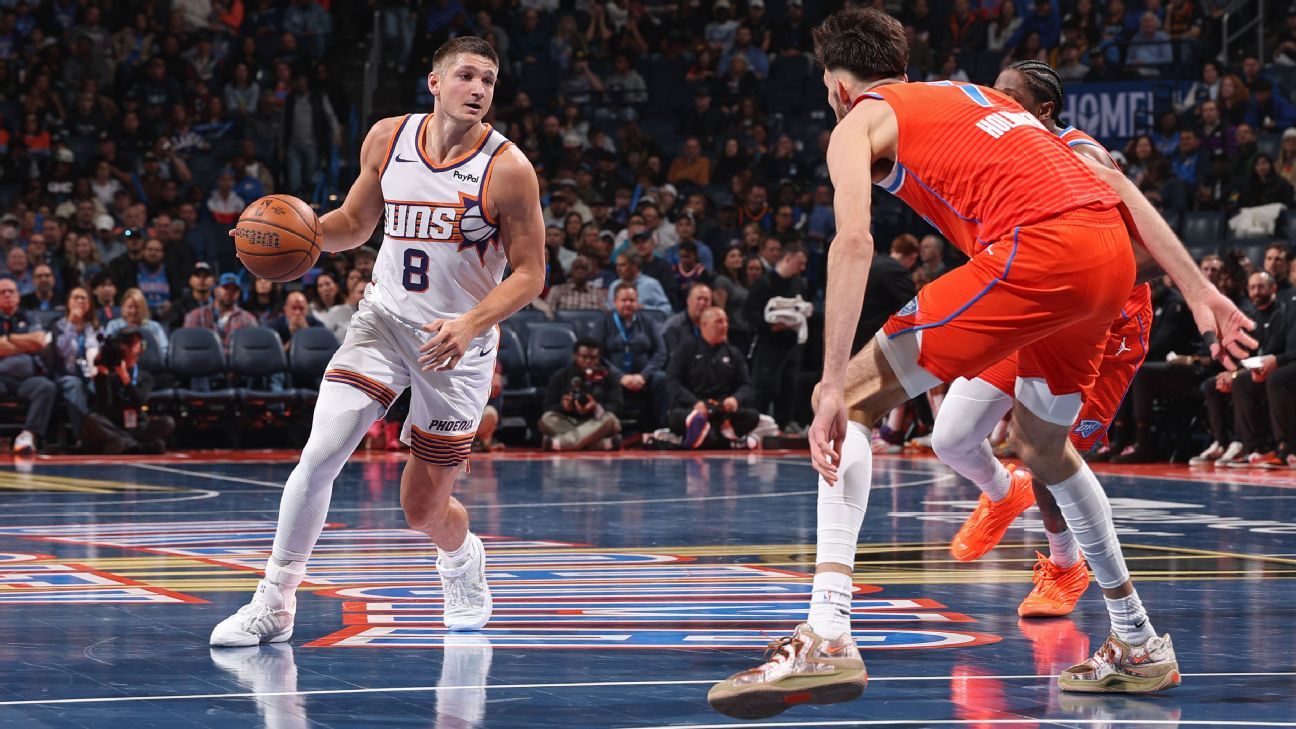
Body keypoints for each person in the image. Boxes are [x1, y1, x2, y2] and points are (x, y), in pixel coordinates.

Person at [709, 9, 1253, 718]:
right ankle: (1138, 639)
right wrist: (1199, 286)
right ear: (901, 66)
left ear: (838, 87)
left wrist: (833, 380)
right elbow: (1116, 191)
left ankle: (828, 631)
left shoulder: (855, 122)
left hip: (1040, 248)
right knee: (1042, 444)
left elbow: (852, 244)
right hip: (1110, 264)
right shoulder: (980, 96)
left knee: (861, 402)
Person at [211, 37, 544, 647]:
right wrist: (300, 232)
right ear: (434, 83)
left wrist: (469, 324)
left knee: (421, 510)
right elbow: (356, 224)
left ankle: (461, 556)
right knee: (322, 451)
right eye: (466, 76)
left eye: (489, 80)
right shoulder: (388, 139)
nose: (478, 89)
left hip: (457, 348)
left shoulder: (509, 169)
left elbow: (530, 273)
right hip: (383, 322)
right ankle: (275, 602)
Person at [926, 62, 1156, 622]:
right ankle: (1004, 494)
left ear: (1045, 111)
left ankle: (1065, 565)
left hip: (1105, 327)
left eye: (1009, 96)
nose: (994, 104)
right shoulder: (1008, 158)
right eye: (991, 93)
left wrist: (1078, 277)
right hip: (1039, 312)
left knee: (1049, 456)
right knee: (951, 437)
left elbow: (1148, 254)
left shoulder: (1084, 159)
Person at [665, 307, 759, 449]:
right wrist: (694, 403)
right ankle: (723, 440)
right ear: (704, 325)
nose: (725, 325)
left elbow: (745, 385)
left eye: (726, 321)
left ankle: (706, 437)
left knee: (752, 416)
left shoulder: (733, 353)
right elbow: (672, 381)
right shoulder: (686, 349)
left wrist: (735, 399)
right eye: (719, 322)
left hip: (723, 411)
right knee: (676, 417)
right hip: (696, 408)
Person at [745, 243, 810, 429]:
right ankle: (756, 425)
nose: (803, 268)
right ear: (788, 259)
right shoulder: (764, 283)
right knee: (765, 387)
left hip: (791, 345)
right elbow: (750, 314)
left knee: (789, 387)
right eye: (800, 263)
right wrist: (773, 327)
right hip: (769, 345)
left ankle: (783, 426)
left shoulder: (799, 283)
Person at [81, 328, 175, 454]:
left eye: (134, 344)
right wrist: (102, 375)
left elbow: (141, 403)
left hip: (136, 425)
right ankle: (138, 446)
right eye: (128, 344)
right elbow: (104, 405)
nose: (131, 348)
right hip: (112, 425)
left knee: (167, 422)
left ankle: (125, 443)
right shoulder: (107, 372)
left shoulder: (144, 376)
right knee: (92, 418)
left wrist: (126, 379)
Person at [0, 277, 56, 455]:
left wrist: (8, 339)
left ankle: (28, 435)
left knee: (46, 387)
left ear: (18, 296)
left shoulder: (30, 316)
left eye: (11, 291)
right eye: (2, 292)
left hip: (26, 380)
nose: (7, 295)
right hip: (1, 378)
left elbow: (39, 341)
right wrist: (25, 344)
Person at [538, 338, 623, 451]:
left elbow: (617, 407)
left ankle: (560, 444)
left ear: (599, 358)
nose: (588, 361)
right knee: (546, 418)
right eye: (584, 357)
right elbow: (547, 407)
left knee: (611, 419)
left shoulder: (609, 377)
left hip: (596, 422)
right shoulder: (559, 376)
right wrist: (564, 407)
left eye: (593, 358)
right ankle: (600, 444)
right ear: (575, 356)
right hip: (569, 421)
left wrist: (595, 407)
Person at [600, 285, 668, 423]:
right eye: (624, 300)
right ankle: (606, 427)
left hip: (643, 376)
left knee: (662, 379)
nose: (628, 304)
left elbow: (660, 352)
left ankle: (659, 428)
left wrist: (644, 376)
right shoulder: (604, 322)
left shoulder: (648, 322)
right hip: (613, 376)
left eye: (632, 300)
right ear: (615, 302)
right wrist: (619, 377)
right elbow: (597, 355)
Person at [49, 287, 101, 444]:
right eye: (76, 297)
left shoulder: (94, 327)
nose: (80, 301)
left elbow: (99, 350)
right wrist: (71, 324)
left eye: (84, 298)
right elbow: (61, 353)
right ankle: (82, 437)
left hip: (90, 373)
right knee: (75, 385)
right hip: (65, 375)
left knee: (104, 384)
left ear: (90, 304)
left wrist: (96, 366)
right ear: (68, 302)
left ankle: (107, 434)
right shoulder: (58, 326)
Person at [183, 274, 258, 352]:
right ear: (215, 290)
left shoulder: (248, 319)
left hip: (237, 363)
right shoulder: (195, 315)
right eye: (226, 288)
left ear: (239, 293)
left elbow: (252, 351)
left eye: (234, 289)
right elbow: (189, 348)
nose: (230, 292)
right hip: (204, 362)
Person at [107, 288, 171, 361]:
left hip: (149, 365)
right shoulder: (113, 325)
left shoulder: (154, 327)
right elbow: (107, 349)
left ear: (143, 308)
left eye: (137, 307)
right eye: (130, 307)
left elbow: (164, 349)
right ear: (123, 307)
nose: (133, 311)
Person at [661, 282, 712, 354]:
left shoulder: (714, 325)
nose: (702, 303)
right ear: (688, 301)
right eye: (699, 298)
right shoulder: (673, 326)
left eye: (706, 300)